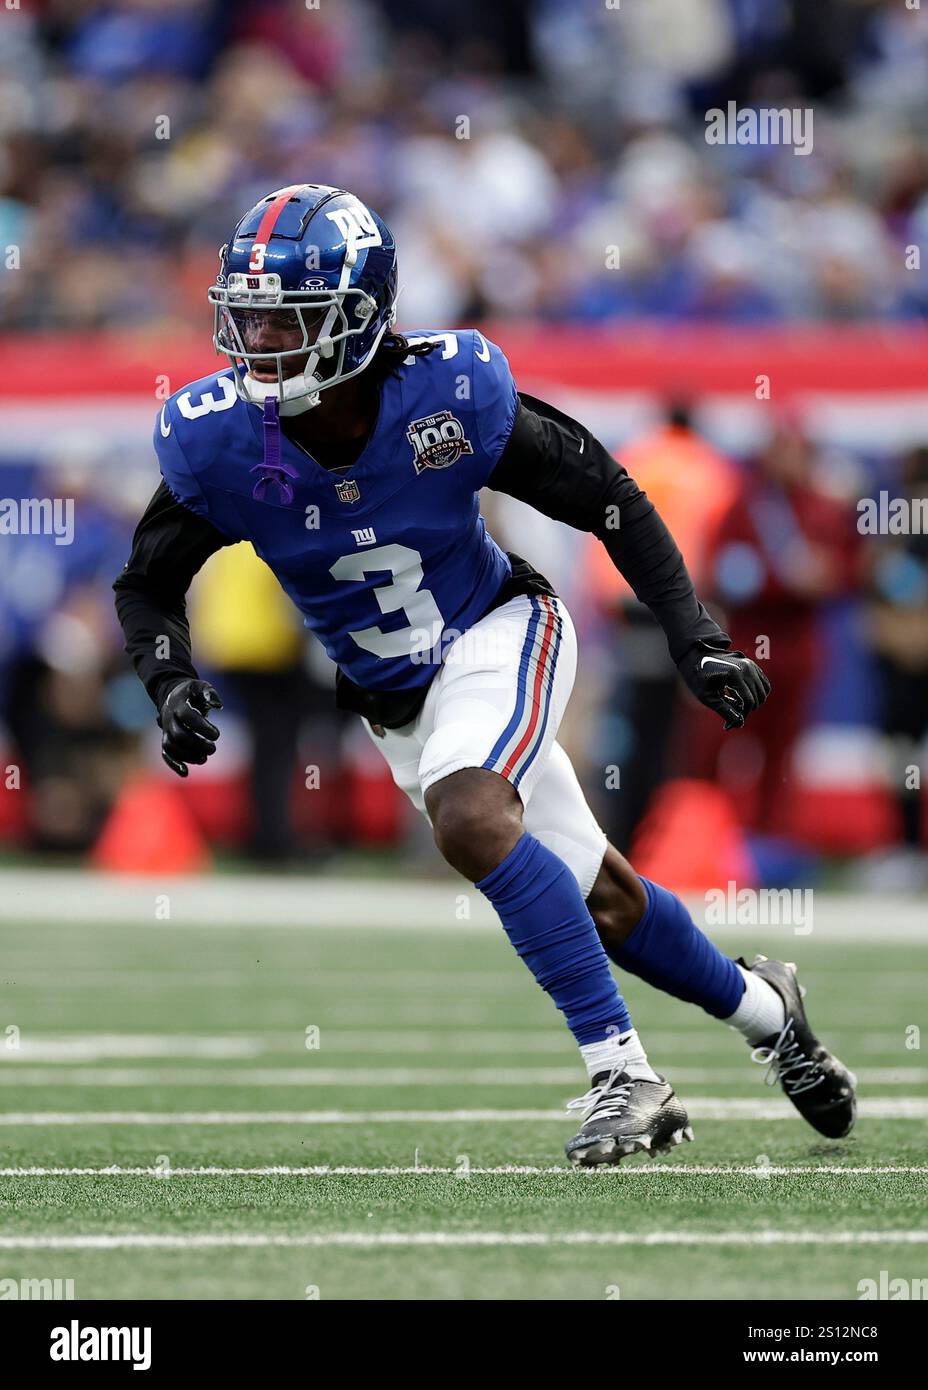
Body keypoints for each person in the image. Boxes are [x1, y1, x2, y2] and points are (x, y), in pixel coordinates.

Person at [113, 184, 855, 1165]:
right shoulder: (219, 439)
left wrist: (693, 634)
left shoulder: (445, 394)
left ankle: (622, 1073)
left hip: (500, 632)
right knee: (608, 902)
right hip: (397, 703)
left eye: (285, 317)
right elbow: (147, 583)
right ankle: (771, 1014)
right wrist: (169, 679)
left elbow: (606, 494)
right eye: (247, 314)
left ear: (359, 314)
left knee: (469, 815)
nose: (258, 339)